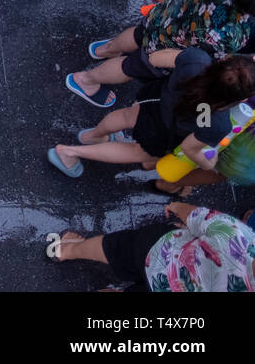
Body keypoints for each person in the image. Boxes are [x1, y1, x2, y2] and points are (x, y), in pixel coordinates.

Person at [69, 0, 255, 107]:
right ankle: (86, 79)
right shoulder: (234, 34)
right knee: (129, 66)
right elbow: (209, 58)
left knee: (138, 33)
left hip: (169, 12)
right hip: (168, 46)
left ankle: (105, 50)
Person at [48, 52, 255, 180]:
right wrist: (209, 163)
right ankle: (69, 152)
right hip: (164, 130)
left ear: (224, 61)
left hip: (153, 99)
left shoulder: (196, 60)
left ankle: (92, 136)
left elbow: (156, 58)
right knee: (137, 152)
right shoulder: (218, 123)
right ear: (241, 98)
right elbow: (189, 148)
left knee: (125, 117)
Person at [50, 202, 255, 291]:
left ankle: (67, 250)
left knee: (117, 249)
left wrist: (175, 207)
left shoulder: (240, 238)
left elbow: (197, 217)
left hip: (161, 254)